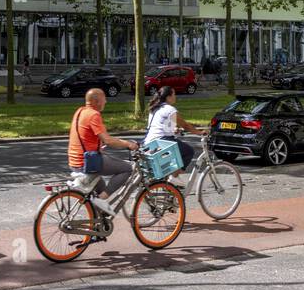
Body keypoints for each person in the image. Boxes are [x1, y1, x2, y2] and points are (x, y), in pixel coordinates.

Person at [68, 88, 140, 217]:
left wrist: (99, 145)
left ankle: (96, 225)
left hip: (74, 162)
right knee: (127, 169)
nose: (106, 101)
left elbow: (90, 137)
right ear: (96, 101)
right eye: (104, 99)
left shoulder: (80, 112)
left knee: (101, 189)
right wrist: (128, 144)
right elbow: (108, 140)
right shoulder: (94, 115)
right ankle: (100, 202)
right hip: (88, 163)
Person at [144, 85, 205, 172]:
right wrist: (200, 132)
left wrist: (174, 130)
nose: (175, 97)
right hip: (162, 141)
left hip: (149, 141)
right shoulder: (170, 109)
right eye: (174, 94)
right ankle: (175, 176)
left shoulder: (154, 108)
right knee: (188, 151)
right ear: (168, 97)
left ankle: (170, 179)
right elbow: (185, 125)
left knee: (173, 157)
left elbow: (161, 126)